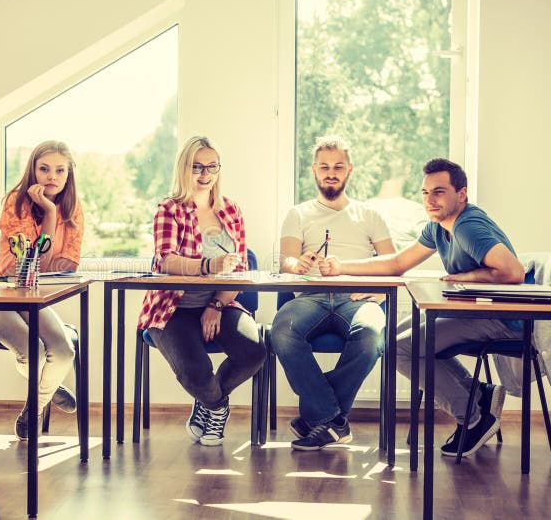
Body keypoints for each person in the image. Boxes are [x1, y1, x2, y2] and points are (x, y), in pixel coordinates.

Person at [319, 158, 525, 457]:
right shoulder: (438, 227)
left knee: (402, 350)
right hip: (476, 313)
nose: (430, 200)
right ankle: (478, 394)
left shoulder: (468, 226)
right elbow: (397, 263)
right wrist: (342, 267)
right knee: (392, 341)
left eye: (439, 192)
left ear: (462, 194)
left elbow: (514, 272)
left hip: (502, 319)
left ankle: (474, 418)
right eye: (425, 193)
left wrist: (466, 277)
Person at [268, 135, 396, 451]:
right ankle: (333, 420)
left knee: (370, 336)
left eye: (338, 167)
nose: (331, 173)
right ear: (314, 170)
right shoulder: (297, 214)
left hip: (357, 298)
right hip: (309, 298)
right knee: (281, 331)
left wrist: (380, 294)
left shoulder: (370, 215)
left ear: (349, 170)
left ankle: (316, 416)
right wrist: (298, 264)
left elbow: (393, 264)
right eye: (324, 167)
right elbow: (286, 261)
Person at [137, 136, 267, 446]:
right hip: (173, 308)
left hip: (221, 303)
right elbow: (166, 260)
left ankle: (206, 400)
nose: (205, 174)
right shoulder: (169, 208)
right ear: (184, 168)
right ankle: (216, 406)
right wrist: (208, 266)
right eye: (197, 167)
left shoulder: (231, 210)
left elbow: (239, 269)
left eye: (212, 166)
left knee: (254, 352)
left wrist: (217, 305)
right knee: (195, 371)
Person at [0, 140, 84, 440]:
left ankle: (35, 404)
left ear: (69, 174)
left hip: (32, 296)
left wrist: (52, 214)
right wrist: (49, 214)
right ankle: (50, 388)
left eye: (60, 170)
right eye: (44, 169)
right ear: (33, 170)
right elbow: (31, 259)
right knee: (34, 352)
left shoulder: (73, 208)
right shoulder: (16, 202)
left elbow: (66, 264)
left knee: (63, 351)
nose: (52, 176)